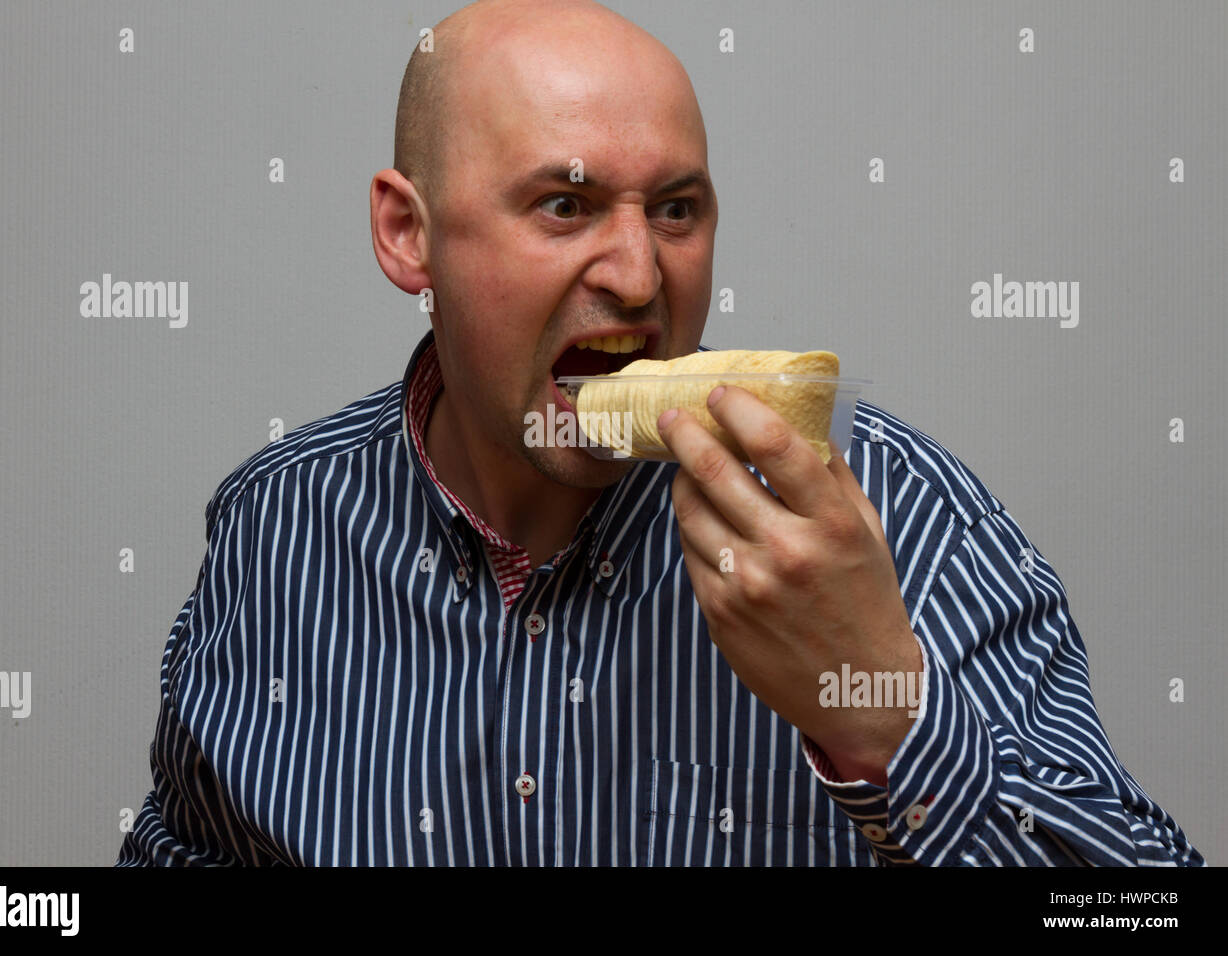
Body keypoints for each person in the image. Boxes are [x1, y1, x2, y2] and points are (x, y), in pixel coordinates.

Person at [117, 0, 1201, 866]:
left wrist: (882, 714)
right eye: (564, 207)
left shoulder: (901, 522)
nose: (640, 277)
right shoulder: (280, 524)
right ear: (408, 233)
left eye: (676, 210)